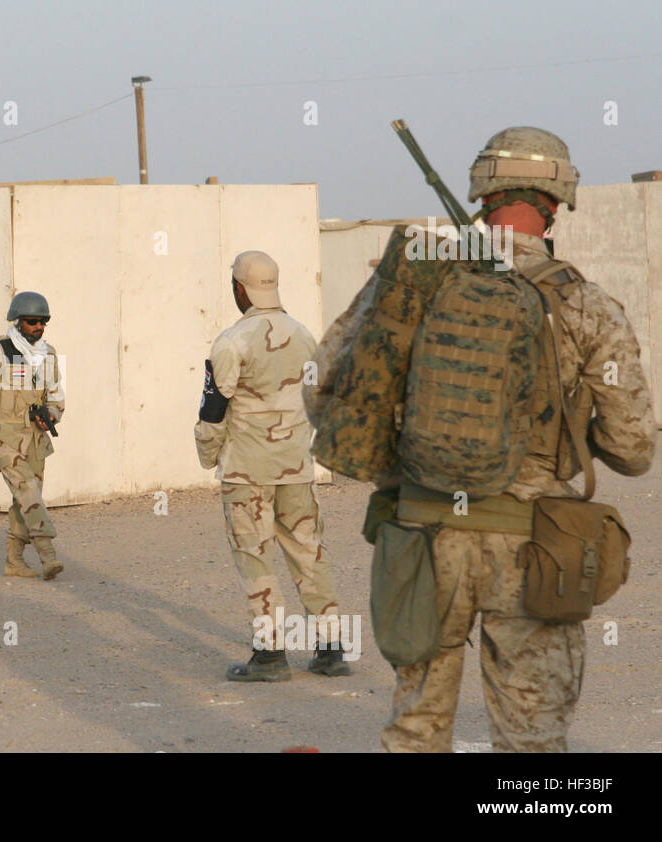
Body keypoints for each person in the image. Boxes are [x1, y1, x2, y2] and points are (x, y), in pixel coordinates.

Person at [310, 127, 655, 752]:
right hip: (532, 546)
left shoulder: (415, 282)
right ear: (557, 199)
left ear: (481, 191)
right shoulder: (585, 303)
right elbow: (633, 448)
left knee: (415, 726)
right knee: (532, 741)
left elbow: (324, 388)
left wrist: (417, 442)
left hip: (421, 534)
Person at [194, 251, 350, 681]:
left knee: (255, 558)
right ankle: (331, 649)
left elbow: (213, 410)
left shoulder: (231, 341)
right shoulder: (304, 336)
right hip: (296, 469)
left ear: (239, 289)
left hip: (247, 472)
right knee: (309, 553)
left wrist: (208, 457)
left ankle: (270, 655)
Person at [0, 291, 65, 580]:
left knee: (27, 498)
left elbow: (56, 395)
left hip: (36, 438)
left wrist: (53, 415)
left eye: (43, 322)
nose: (38, 327)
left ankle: (14, 560)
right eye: (32, 322)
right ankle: (48, 555)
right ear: (18, 321)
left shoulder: (48, 354)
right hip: (5, 436)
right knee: (27, 491)